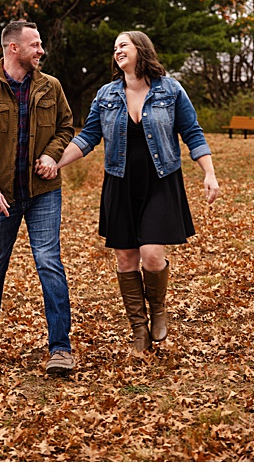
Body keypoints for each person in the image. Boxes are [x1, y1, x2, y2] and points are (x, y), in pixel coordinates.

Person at [51, 31, 220, 356]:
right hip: (120, 183)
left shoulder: (170, 90)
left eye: (123, 45)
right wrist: (56, 162)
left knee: (153, 256)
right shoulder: (106, 94)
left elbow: (192, 131)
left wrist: (209, 172)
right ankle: (139, 329)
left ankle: (157, 309)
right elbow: (88, 136)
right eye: (114, 47)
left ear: (141, 49)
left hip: (160, 181)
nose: (117, 51)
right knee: (126, 258)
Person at [0, 21, 77, 376]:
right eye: (35, 45)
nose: (41, 50)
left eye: (40, 45)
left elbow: (66, 127)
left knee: (49, 264)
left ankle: (60, 348)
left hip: (43, 194)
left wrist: (52, 155)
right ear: (14, 48)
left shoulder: (51, 87)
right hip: (2, 197)